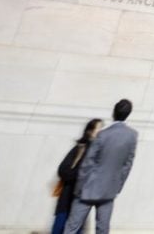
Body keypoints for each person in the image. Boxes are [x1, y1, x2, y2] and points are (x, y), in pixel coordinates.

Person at [64, 99, 137, 234]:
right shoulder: (132, 135)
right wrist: (117, 186)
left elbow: (88, 161)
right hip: (109, 190)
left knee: (72, 228)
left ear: (113, 112)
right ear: (128, 114)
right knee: (102, 229)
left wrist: (79, 187)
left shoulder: (103, 134)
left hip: (88, 188)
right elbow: (128, 164)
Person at [50, 118, 102, 234]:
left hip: (81, 204)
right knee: (59, 229)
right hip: (67, 200)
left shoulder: (99, 153)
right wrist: (82, 172)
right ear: (90, 131)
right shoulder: (80, 148)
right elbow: (62, 170)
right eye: (99, 129)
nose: (102, 132)